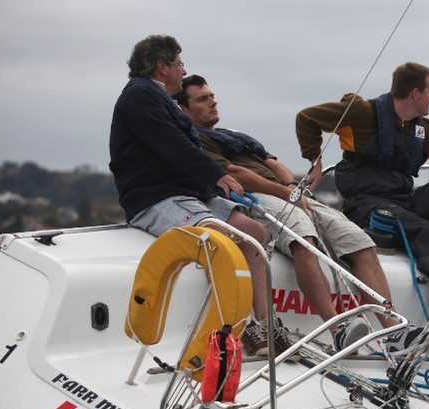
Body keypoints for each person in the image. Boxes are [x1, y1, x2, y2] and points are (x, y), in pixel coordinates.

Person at [175, 75, 429, 355]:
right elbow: (235, 174)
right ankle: (337, 330)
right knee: (304, 238)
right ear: (185, 111)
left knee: (359, 241)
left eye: (211, 96)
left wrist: (291, 186)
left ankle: (392, 331)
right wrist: (284, 193)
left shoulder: (235, 137)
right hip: (255, 199)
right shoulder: (193, 142)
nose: (212, 101)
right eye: (202, 99)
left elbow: (273, 162)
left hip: (290, 195)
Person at [108, 35, 293, 358]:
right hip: (155, 197)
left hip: (188, 193)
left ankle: (265, 324)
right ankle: (240, 325)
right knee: (218, 238)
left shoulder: (158, 98)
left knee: (254, 232)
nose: (183, 71)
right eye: (180, 65)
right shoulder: (139, 96)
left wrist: (210, 184)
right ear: (162, 67)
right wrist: (217, 174)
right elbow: (169, 144)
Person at [295, 62, 429, 329]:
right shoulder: (362, 114)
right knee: (425, 230)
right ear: (415, 93)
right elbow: (307, 118)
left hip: (404, 202)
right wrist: (315, 160)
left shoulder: (425, 131)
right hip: (366, 206)